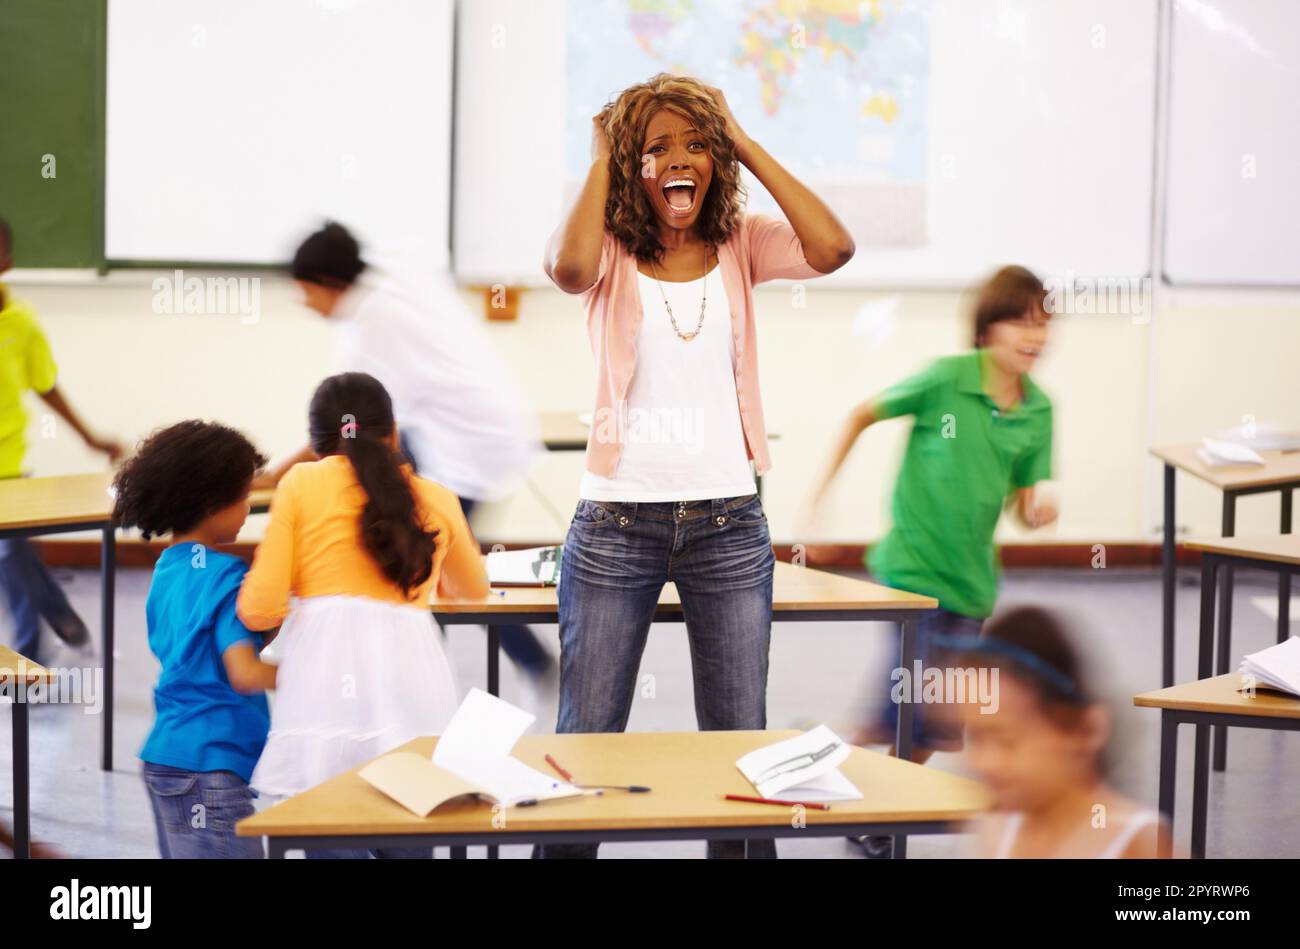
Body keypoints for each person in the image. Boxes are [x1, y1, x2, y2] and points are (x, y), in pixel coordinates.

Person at [540, 73, 854, 858]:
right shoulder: (610, 250)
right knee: (585, 749)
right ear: (631, 166)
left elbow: (834, 246)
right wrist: (603, 152)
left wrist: (742, 140)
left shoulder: (741, 243)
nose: (678, 161)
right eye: (656, 149)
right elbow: (566, 267)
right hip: (615, 523)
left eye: (695, 145)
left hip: (729, 527)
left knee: (742, 754)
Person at [800, 265, 1056, 857]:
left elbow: (1022, 500)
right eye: (1021, 321)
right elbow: (861, 415)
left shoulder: (1038, 411)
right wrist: (818, 500)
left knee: (939, 723)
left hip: (969, 585)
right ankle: (862, 798)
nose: (1034, 335)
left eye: (1043, 324)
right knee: (907, 704)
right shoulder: (946, 379)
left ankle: (835, 764)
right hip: (913, 573)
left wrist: (1036, 511)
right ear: (987, 328)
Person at [260, 223, 551, 689]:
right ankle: (510, 666)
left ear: (330, 283)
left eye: (306, 290)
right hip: (477, 430)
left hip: (468, 445)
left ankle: (423, 684)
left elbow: (339, 426)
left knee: (427, 561)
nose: (304, 302)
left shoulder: (370, 328)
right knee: (442, 559)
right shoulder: (391, 281)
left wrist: (273, 475)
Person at [238, 372, 489, 859]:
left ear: (315, 445)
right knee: (413, 818)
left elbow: (259, 607)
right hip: (412, 679)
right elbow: (472, 591)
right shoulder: (435, 496)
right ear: (393, 434)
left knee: (330, 827)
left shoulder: (302, 484)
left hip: (326, 682)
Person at [111, 420, 276, 858]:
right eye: (244, 497)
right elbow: (244, 673)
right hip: (211, 771)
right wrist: (316, 672)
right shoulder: (226, 575)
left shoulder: (169, 567)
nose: (249, 508)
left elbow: (197, 645)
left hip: (166, 757)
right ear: (211, 501)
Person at [0, 216, 124, 664]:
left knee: (8, 558)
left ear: (7, 261)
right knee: (16, 558)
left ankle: (30, 656)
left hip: (9, 467)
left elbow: (46, 385)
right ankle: (61, 614)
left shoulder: (21, 323)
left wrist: (89, 437)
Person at [955, 606, 1164, 859]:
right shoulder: (997, 830)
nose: (986, 762)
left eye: (1007, 741)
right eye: (976, 737)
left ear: (1084, 731)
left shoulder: (1137, 844)